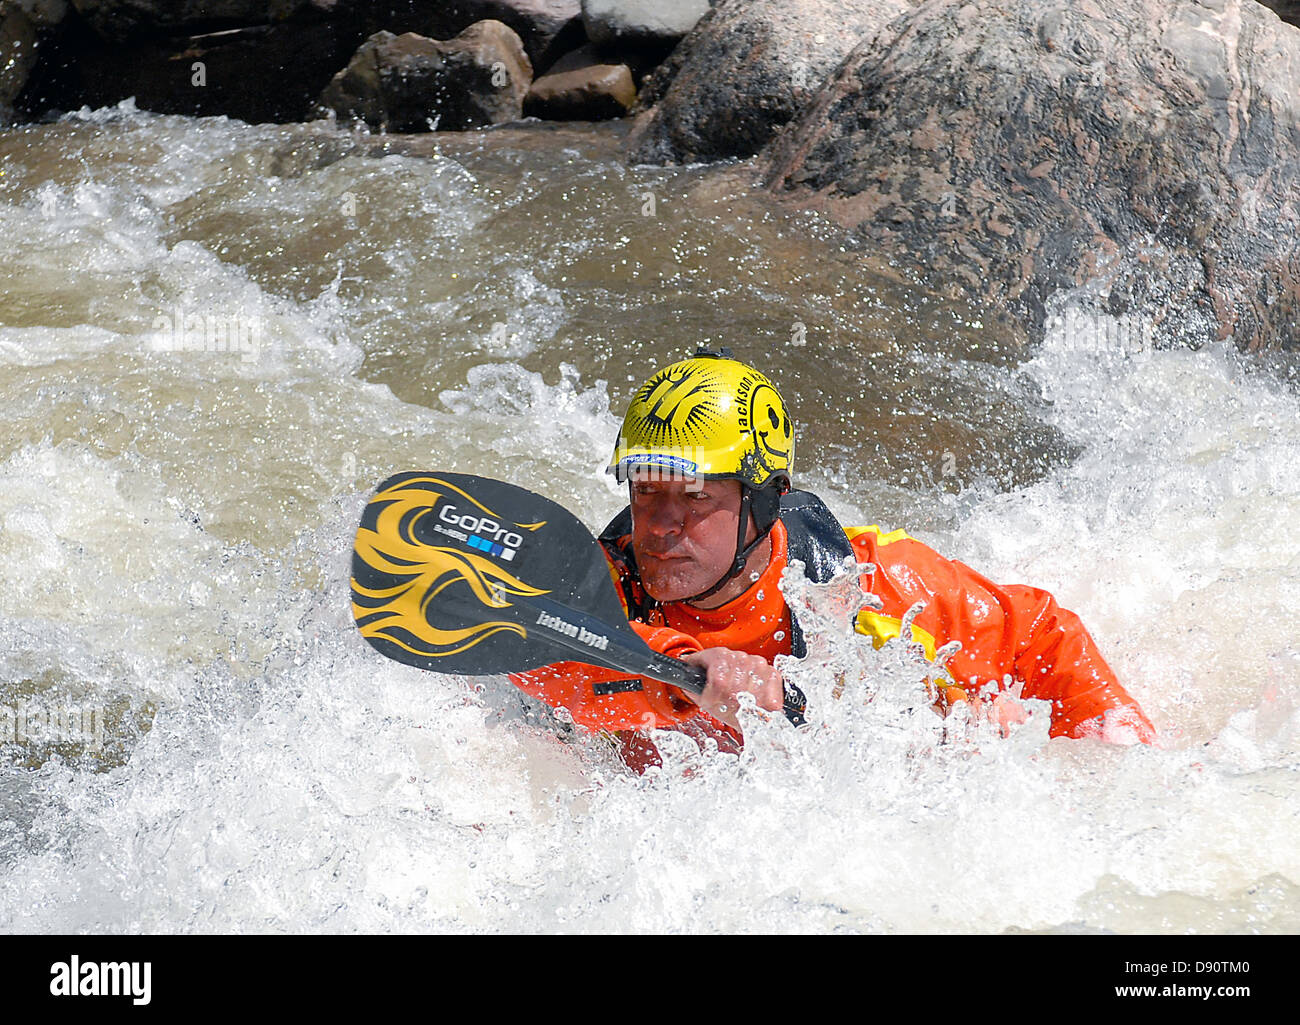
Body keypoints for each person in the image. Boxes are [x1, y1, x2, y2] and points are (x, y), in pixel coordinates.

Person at [509, 351, 1156, 769]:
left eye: (696, 497)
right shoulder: (603, 586)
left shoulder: (863, 584)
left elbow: (1038, 635)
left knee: (985, 723)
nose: (662, 524)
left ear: (766, 500)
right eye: (645, 490)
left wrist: (1118, 756)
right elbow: (536, 650)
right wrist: (684, 671)